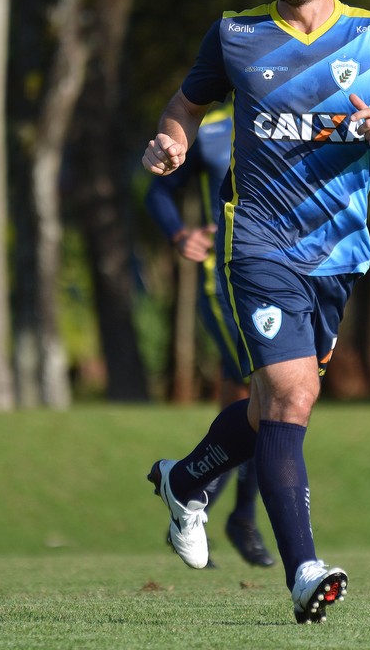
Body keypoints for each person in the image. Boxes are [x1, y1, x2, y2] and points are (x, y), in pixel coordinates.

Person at [141, 0, 370, 625]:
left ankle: (186, 480)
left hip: (338, 255)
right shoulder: (236, 33)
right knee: (295, 397)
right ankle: (305, 568)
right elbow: (186, 104)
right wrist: (173, 142)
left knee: (268, 406)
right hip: (259, 244)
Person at [143, 100, 275, 569]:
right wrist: (180, 235)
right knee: (266, 393)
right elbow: (158, 192)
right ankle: (226, 511)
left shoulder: (295, 115)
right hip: (219, 280)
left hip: (278, 274)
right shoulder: (211, 130)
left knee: (263, 399)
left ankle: (196, 497)